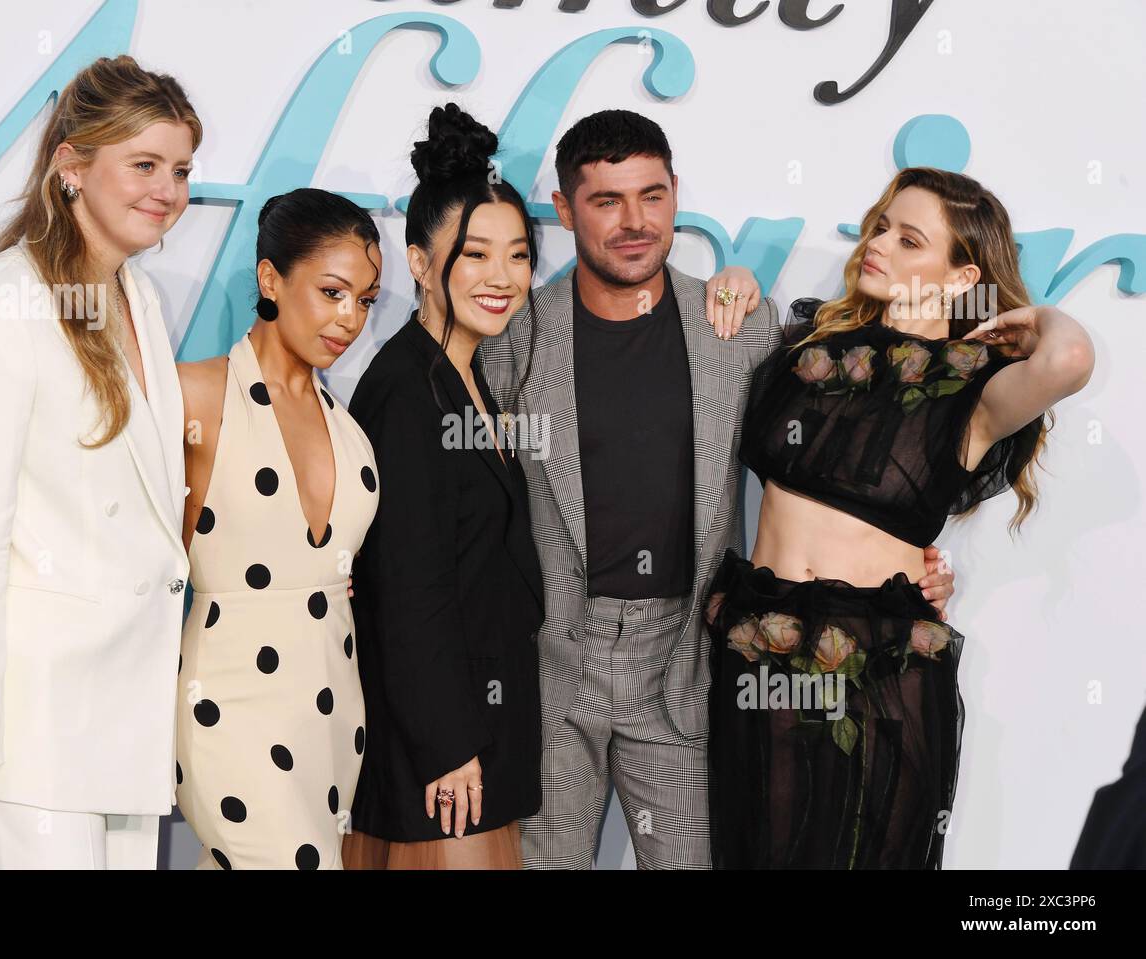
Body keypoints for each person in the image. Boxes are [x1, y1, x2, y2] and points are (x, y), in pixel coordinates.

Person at [476, 110, 958, 869]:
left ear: (675, 195)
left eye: (653, 195)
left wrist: (902, 561)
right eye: (606, 202)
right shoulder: (513, 337)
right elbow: (458, 492)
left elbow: (838, 458)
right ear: (564, 211)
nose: (635, 223)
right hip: (553, 663)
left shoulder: (739, 325)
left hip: (683, 664)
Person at [709, 166, 1095, 868]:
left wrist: (1035, 319)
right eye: (881, 225)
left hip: (881, 663)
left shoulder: (973, 388)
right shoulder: (807, 347)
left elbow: (1068, 358)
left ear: (959, 275)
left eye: (909, 238)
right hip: (760, 642)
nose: (879, 244)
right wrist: (731, 274)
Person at [0, 55, 201, 868]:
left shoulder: (144, 302)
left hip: (123, 733)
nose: (166, 189)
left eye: (180, 169)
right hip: (23, 741)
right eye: (143, 165)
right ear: (70, 165)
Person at [340, 104, 545, 870]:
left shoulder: (465, 375)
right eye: (475, 254)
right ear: (422, 263)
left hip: (478, 735)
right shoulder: (404, 389)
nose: (502, 277)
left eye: (519, 255)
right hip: (441, 758)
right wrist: (447, 745)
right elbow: (405, 588)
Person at [174, 189, 382, 870]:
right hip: (229, 704)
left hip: (330, 711)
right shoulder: (196, 396)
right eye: (332, 291)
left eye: (366, 299)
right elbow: (145, 568)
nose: (350, 318)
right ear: (271, 279)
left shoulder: (349, 428)